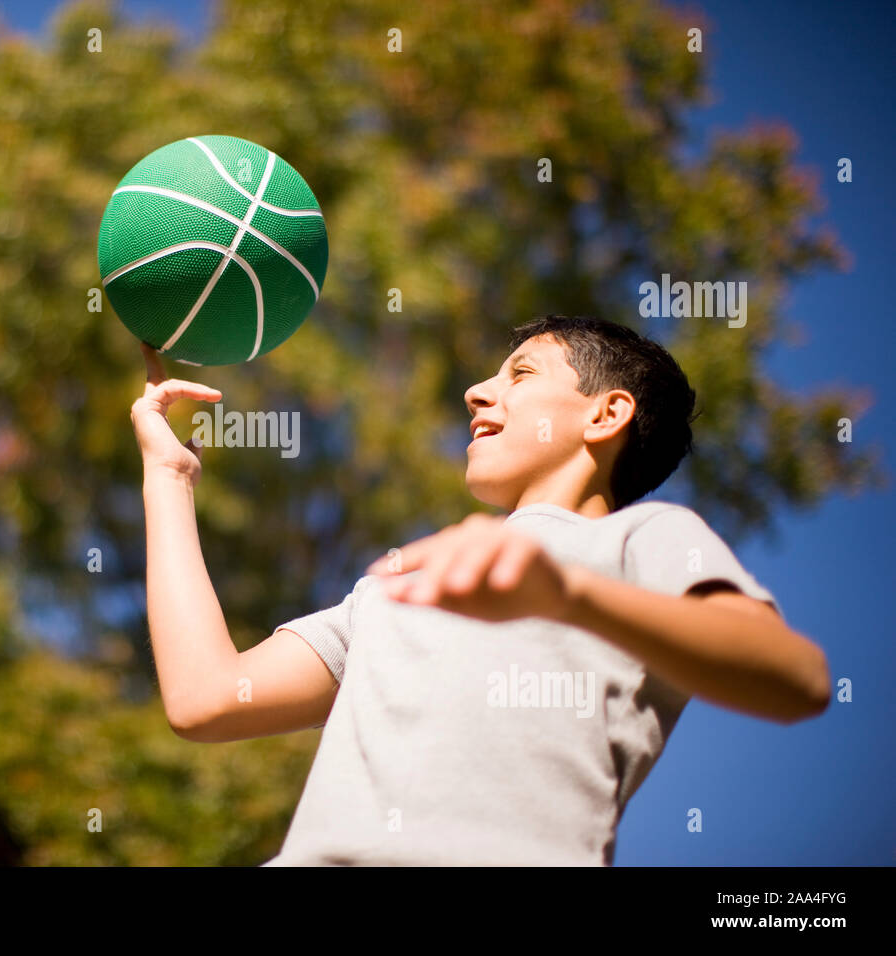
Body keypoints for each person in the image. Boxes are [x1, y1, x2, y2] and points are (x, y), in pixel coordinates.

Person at [130, 313, 831, 866]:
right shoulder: (395, 591)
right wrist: (168, 478)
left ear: (605, 414)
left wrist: (566, 594)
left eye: (520, 373)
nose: (477, 392)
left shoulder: (640, 539)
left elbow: (797, 679)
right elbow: (207, 700)